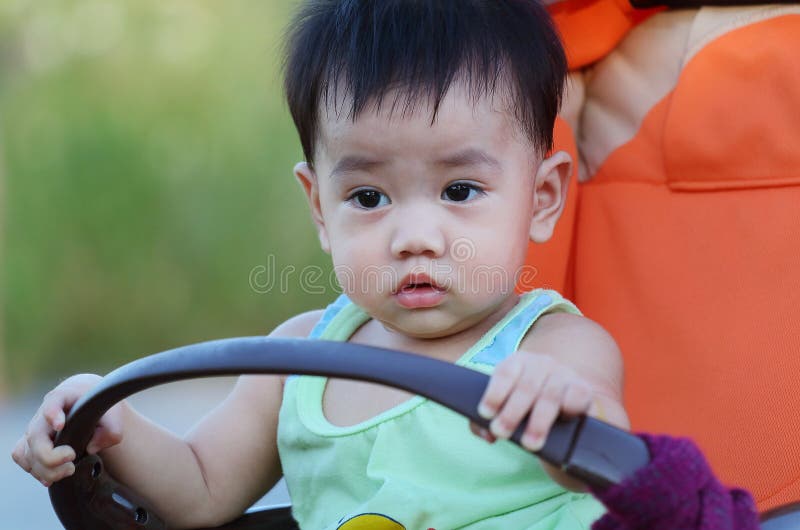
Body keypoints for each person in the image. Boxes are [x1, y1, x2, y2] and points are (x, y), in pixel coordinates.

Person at [11, 1, 631, 528]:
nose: (415, 238)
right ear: (318, 206)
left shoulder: (552, 351)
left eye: (460, 190)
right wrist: (111, 425)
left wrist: (564, 411)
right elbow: (200, 488)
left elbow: (606, 460)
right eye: (368, 198)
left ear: (541, 199)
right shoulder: (300, 359)